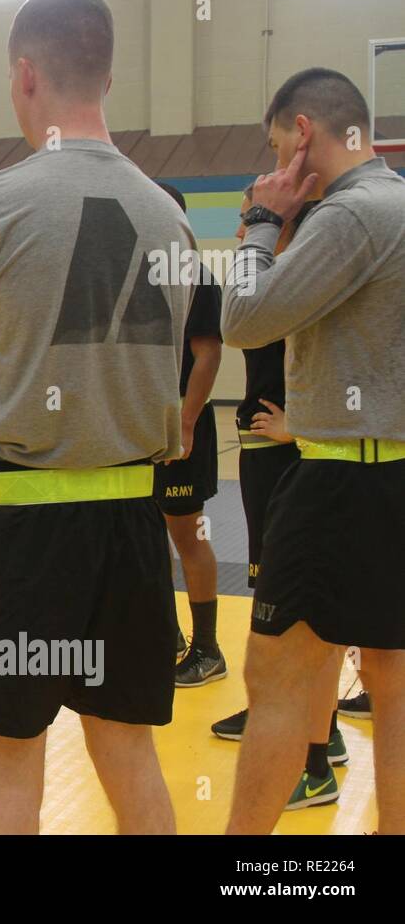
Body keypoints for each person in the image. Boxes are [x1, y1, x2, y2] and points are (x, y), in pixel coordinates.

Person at [0, 0, 189, 834]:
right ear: (107, 77)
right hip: (131, 532)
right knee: (132, 763)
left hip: (19, 533)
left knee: (4, 774)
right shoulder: (172, 218)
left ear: (26, 73)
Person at [221, 68, 405, 834]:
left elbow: (243, 318)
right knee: (392, 687)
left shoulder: (350, 214)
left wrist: (263, 221)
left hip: (338, 486)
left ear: (303, 134)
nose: (273, 167)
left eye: (275, 147)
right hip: (389, 473)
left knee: (277, 686)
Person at [209, 188, 350, 811]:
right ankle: (305, 733)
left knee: (296, 614)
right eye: (245, 221)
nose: (245, 231)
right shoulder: (269, 281)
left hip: (289, 457)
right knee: (290, 611)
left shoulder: (296, 283)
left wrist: (303, 427)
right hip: (265, 455)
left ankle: (312, 753)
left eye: (255, 221)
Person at [151, 183, 225, 687]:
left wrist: (185, 421)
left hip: (180, 426)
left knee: (187, 531)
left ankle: (207, 648)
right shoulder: (141, 277)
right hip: (140, 428)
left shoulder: (196, 274)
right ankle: (167, 634)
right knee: (146, 529)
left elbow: (208, 353)